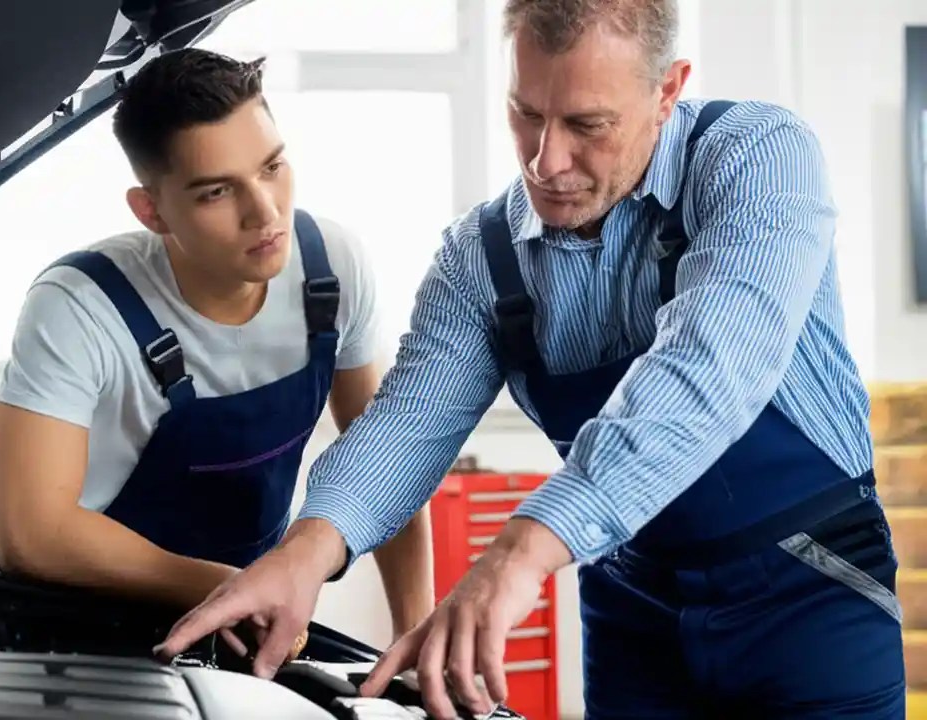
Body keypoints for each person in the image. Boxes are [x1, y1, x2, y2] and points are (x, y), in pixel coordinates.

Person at [155, 2, 905, 718]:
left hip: (811, 589)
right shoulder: (478, 257)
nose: (547, 160)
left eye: (587, 124)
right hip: (635, 603)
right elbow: (407, 425)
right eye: (526, 113)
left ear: (667, 90)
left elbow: (709, 368)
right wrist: (307, 549)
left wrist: (518, 551)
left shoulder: (759, 158)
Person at [0, 47, 434, 642]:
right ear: (152, 211)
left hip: (243, 626)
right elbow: (32, 534)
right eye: (217, 192)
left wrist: (416, 632)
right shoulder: (79, 307)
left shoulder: (332, 269)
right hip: (89, 634)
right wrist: (225, 587)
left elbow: (387, 460)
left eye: (272, 168)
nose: (265, 212)